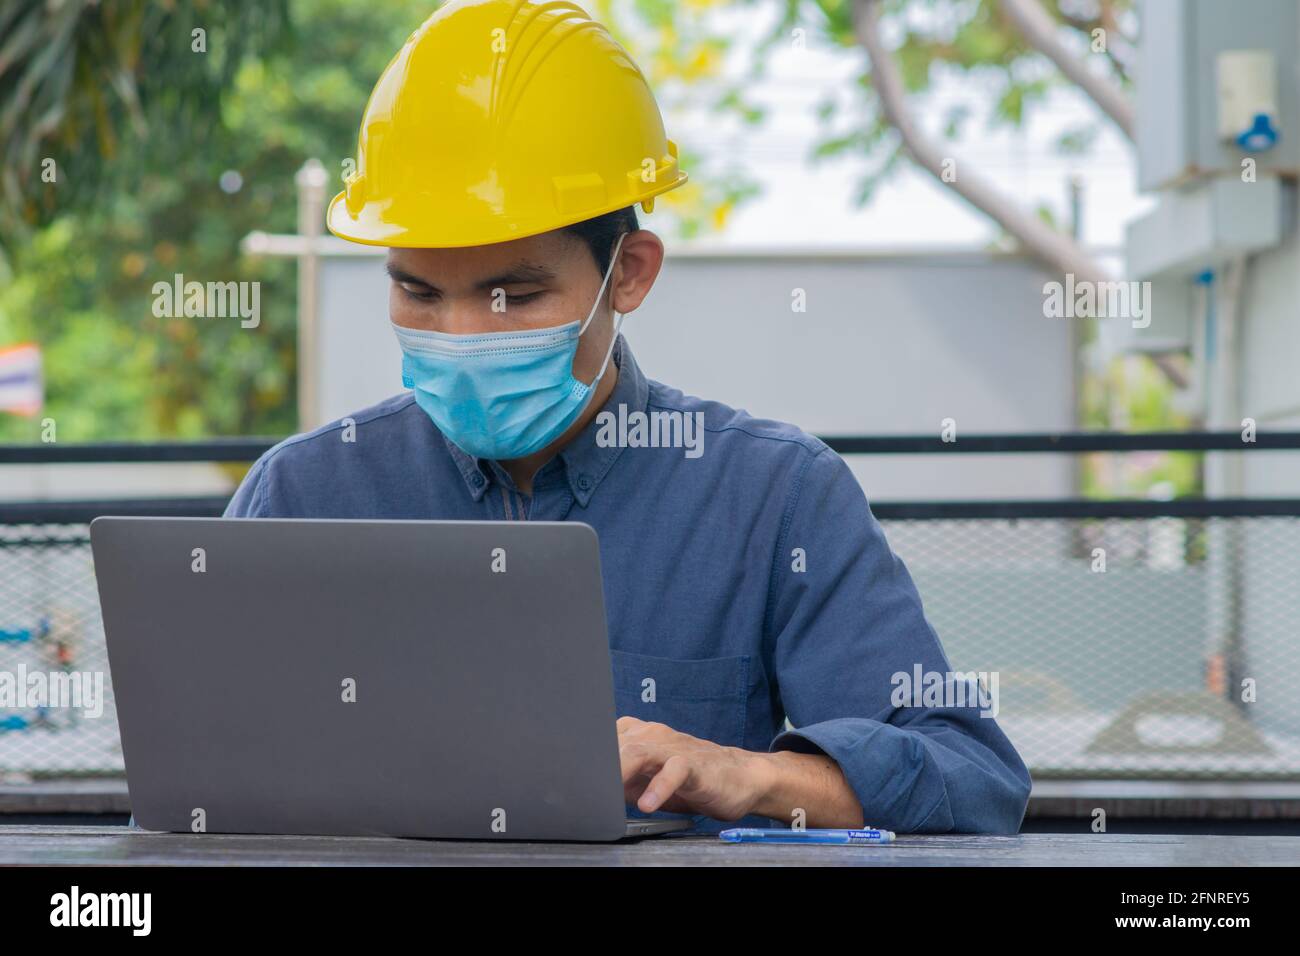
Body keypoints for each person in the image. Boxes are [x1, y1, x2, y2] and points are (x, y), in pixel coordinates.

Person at [226, 0, 1030, 833]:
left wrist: (749, 776)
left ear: (630, 274)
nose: (461, 337)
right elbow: (201, 784)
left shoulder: (771, 497)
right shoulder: (302, 493)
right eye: (418, 293)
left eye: (516, 295)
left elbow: (970, 779)